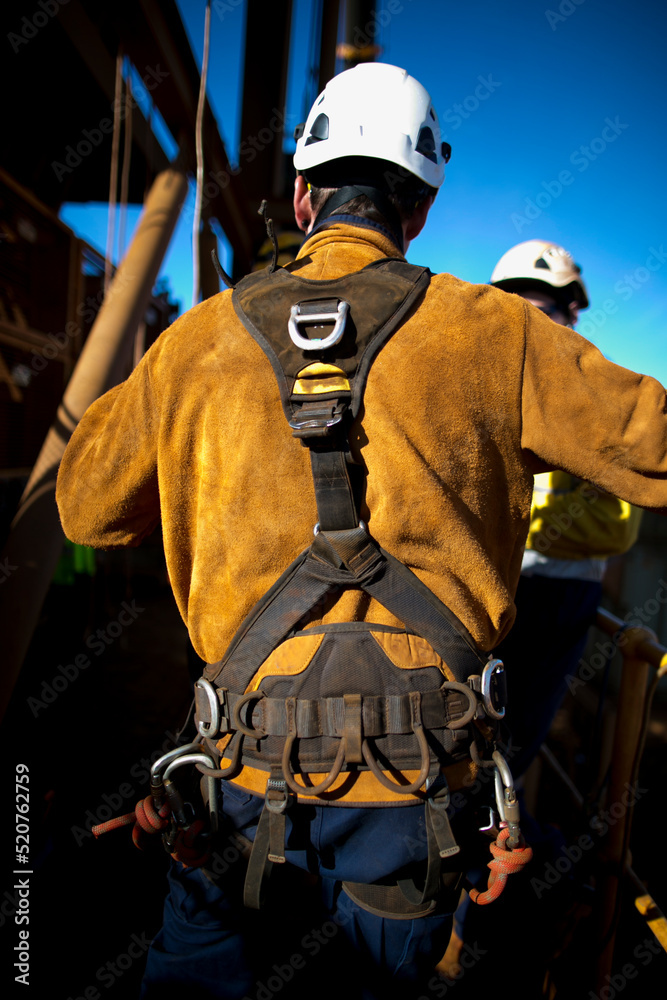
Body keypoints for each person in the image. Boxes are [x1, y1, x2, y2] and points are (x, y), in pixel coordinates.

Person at [56, 63, 667, 999]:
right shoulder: (496, 333)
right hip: (414, 795)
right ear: (417, 208)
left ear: (302, 194)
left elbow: (87, 507)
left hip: (238, 776)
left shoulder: (200, 343)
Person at [489, 240, 643, 781]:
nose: (538, 327)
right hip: (482, 591)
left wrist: (501, 521)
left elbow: (617, 528)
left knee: (514, 739)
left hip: (553, 600)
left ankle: (491, 841)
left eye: (553, 313)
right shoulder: (477, 386)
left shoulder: (591, 397)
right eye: (524, 310)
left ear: (572, 317)